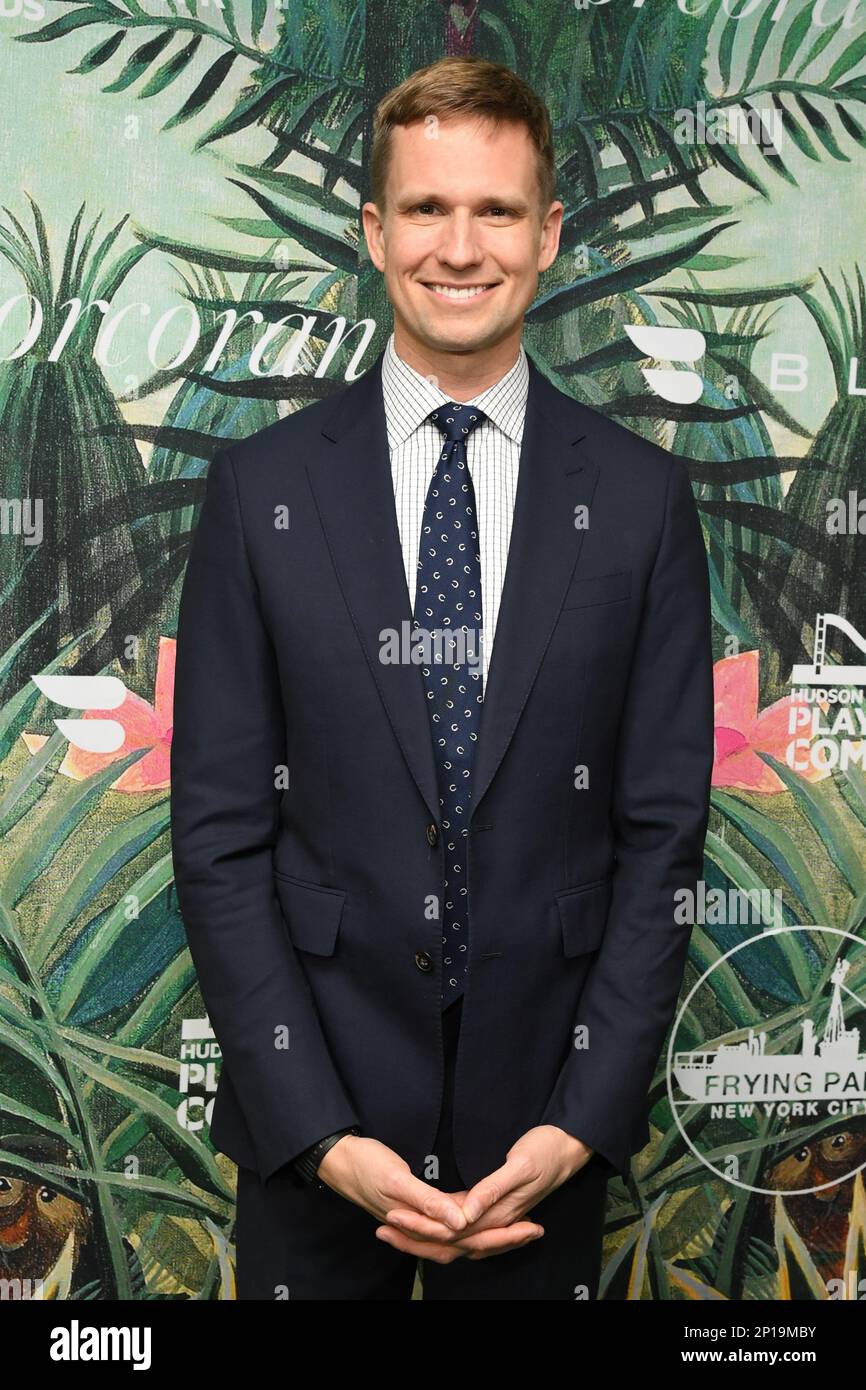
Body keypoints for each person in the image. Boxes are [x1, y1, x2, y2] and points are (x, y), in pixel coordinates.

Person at [170, 54, 715, 1300]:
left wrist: (578, 1121)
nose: (458, 247)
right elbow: (216, 837)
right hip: (316, 1142)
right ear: (372, 231)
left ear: (548, 234)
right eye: (424, 208)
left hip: (541, 1146)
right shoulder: (262, 497)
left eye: (495, 210)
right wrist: (321, 1136)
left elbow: (660, 837)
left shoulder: (638, 504)